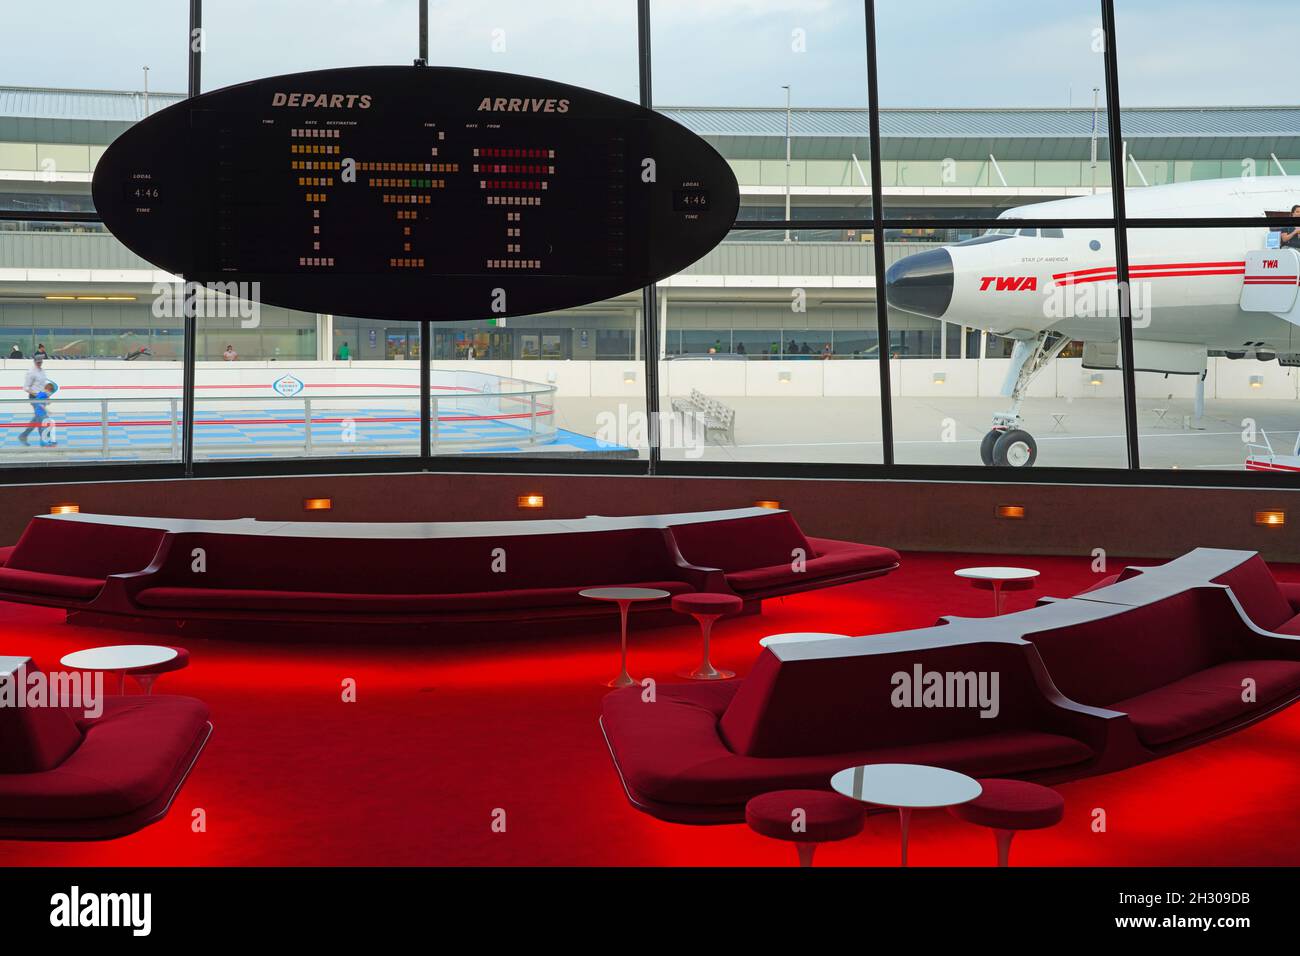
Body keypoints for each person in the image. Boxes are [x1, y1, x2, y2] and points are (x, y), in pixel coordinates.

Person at [16, 354, 50, 446]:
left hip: (42, 398)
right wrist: (37, 395)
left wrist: (46, 395)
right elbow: (26, 388)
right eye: (38, 362)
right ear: (34, 362)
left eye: (41, 362)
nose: (39, 363)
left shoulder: (42, 371)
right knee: (43, 418)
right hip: (35, 399)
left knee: (37, 419)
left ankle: (23, 436)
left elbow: (42, 385)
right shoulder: (31, 372)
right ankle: (44, 440)